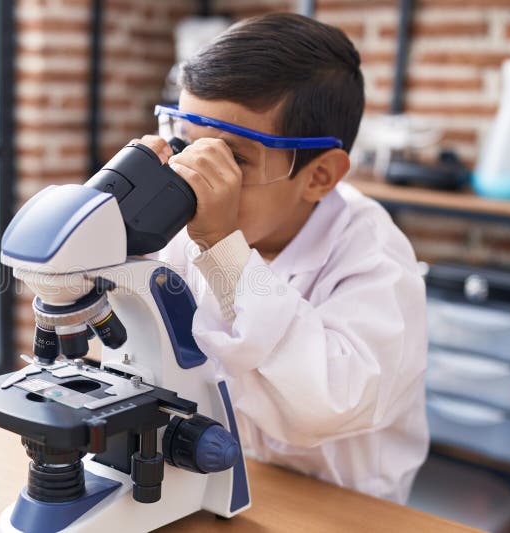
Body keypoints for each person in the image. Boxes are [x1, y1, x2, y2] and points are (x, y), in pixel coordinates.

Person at [136, 13, 428, 504]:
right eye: (186, 143)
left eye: (233, 160)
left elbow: (326, 406)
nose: (195, 176)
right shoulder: (188, 233)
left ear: (318, 176)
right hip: (220, 477)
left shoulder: (374, 255)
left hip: (341, 502)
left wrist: (224, 251)